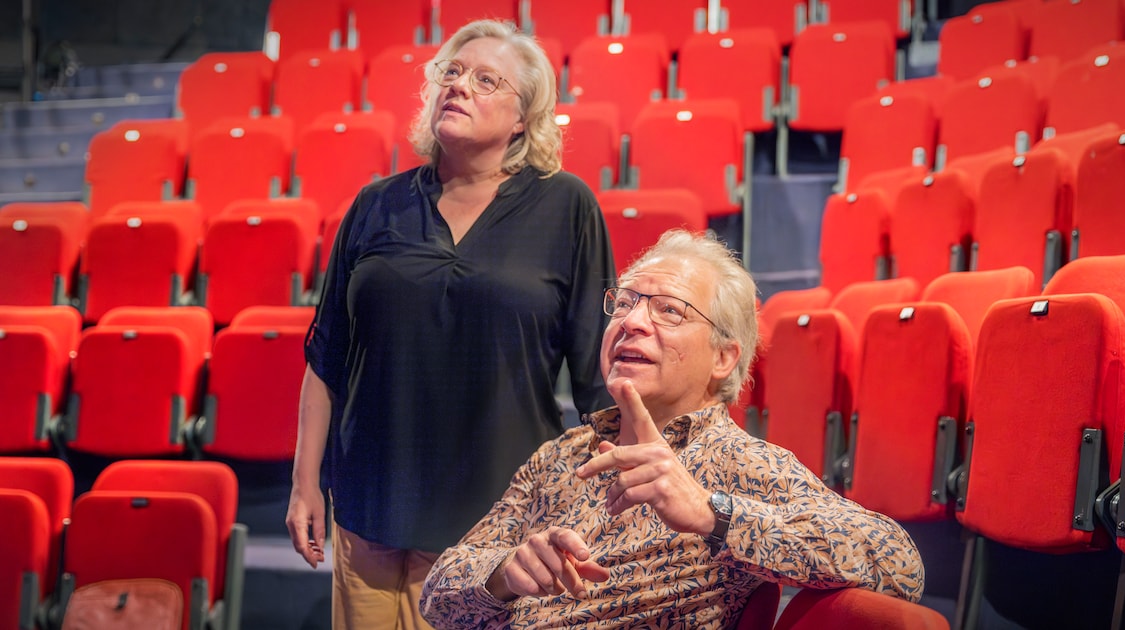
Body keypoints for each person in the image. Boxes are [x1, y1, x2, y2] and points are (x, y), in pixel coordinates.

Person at [420, 229, 926, 628]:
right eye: (625, 302)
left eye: (668, 310)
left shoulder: (743, 463)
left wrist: (715, 514)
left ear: (723, 357)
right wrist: (505, 573)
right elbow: (436, 595)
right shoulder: (561, 455)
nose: (632, 322)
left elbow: (898, 562)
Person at [286, 19, 616, 630]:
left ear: (523, 118)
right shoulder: (375, 204)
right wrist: (307, 482)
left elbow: (598, 379)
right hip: (368, 511)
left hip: (495, 528)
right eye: (452, 73)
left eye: (485, 79)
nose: (459, 86)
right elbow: (327, 358)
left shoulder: (566, 206)